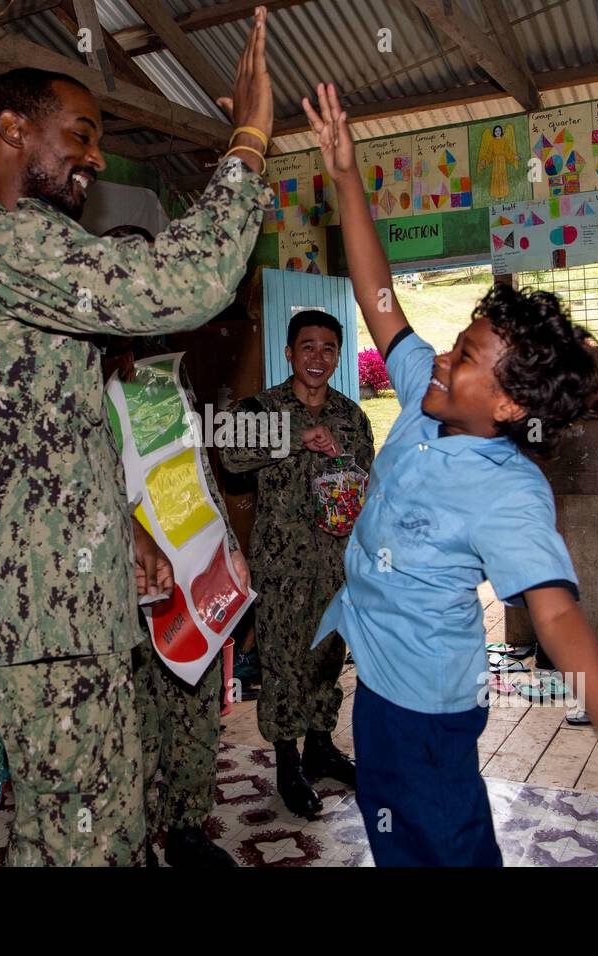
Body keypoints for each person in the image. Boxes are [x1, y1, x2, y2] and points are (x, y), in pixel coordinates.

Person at [0, 10, 274, 866]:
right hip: (47, 617)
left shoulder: (20, 250)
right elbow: (183, 285)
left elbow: (52, 435)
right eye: (80, 134)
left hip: (65, 603)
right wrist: (250, 144)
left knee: (60, 833)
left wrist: (124, 529)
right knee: (96, 835)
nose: (97, 157)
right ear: (13, 130)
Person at [302, 82, 598, 866]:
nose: (442, 356)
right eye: (457, 343)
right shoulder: (424, 397)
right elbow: (380, 300)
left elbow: (558, 616)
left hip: (428, 711)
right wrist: (345, 177)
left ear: (508, 404)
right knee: (395, 836)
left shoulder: (509, 490)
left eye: (466, 355)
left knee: (447, 843)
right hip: (378, 687)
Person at [96, 272, 248, 868]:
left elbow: (194, 469)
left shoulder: (166, 371)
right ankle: (135, 841)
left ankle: (186, 827)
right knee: (134, 719)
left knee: (195, 701)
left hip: (187, 561)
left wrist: (228, 546)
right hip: (118, 574)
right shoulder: (76, 372)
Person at [218, 310, 375, 818]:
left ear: (338, 356)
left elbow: (367, 479)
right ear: (289, 353)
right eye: (308, 347)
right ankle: (288, 763)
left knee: (327, 659)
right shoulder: (261, 409)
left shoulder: (351, 416)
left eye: (328, 348)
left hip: (336, 563)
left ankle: (320, 747)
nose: (317, 357)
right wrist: (295, 436)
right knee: (283, 663)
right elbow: (230, 456)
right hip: (281, 565)